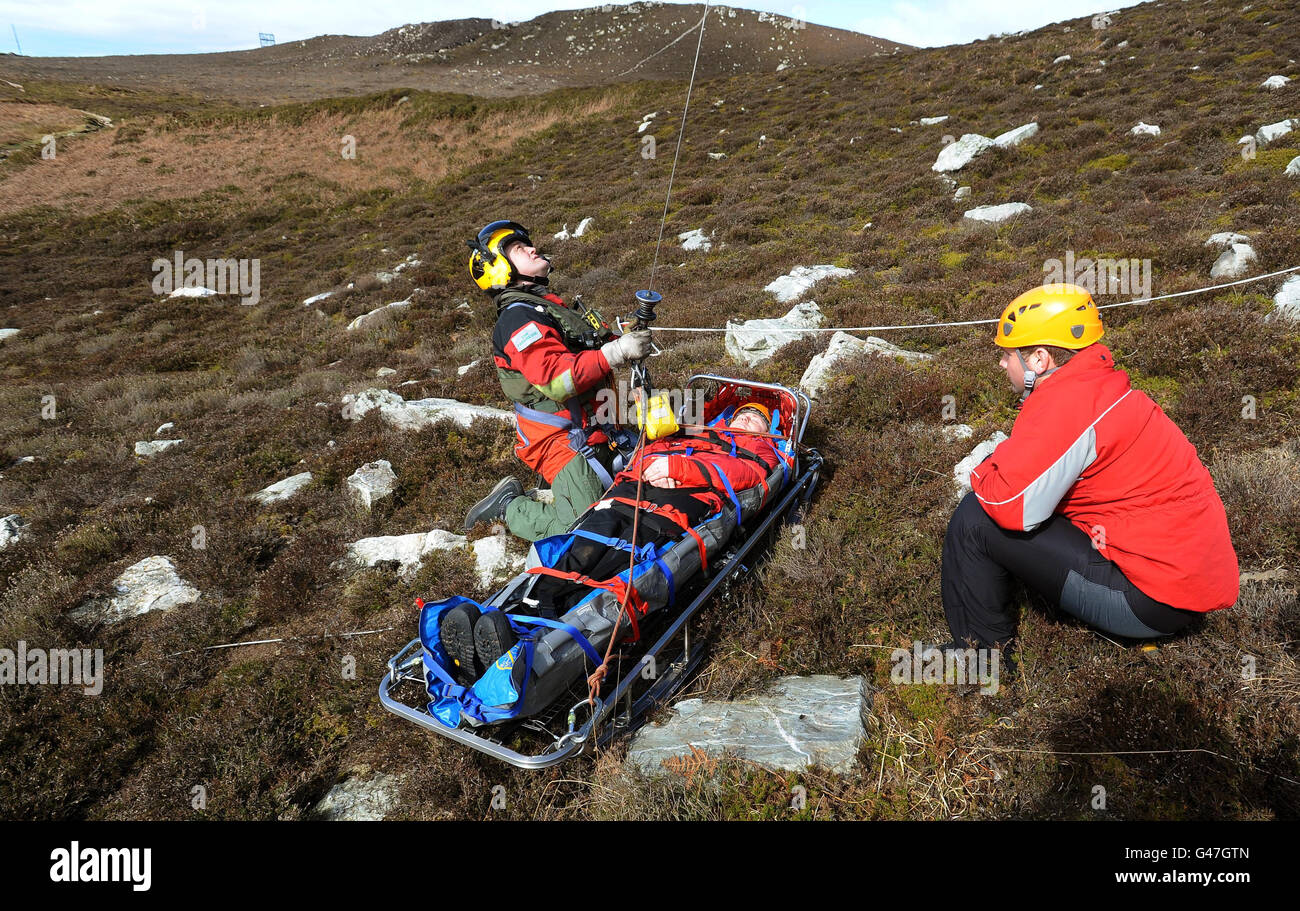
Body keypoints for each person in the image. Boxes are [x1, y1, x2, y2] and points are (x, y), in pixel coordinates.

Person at [937, 283, 1239, 668]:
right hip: (1188, 585)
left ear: (1039, 360)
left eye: (1008, 355)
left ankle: (979, 661)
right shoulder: (1100, 385)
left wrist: (986, 467)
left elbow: (1010, 503)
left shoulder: (1070, 405)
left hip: (1153, 602)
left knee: (975, 518)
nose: (1001, 364)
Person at [442, 403, 786, 684]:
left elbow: (747, 477)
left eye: (755, 418)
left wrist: (678, 468)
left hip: (669, 515)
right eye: (741, 413)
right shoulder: (692, 431)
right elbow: (646, 452)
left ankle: (534, 649)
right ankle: (508, 621)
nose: (745, 418)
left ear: (765, 428)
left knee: (611, 576)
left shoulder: (761, 450)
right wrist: (658, 463)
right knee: (576, 553)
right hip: (627, 496)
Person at [462, 220, 652, 540]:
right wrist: (617, 352)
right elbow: (556, 381)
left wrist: (623, 339)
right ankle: (509, 507)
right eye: (520, 249)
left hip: (601, 427)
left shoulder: (551, 308)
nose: (533, 248)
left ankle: (563, 493)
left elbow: (595, 347)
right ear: (499, 269)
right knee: (585, 531)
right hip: (564, 443)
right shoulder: (517, 319)